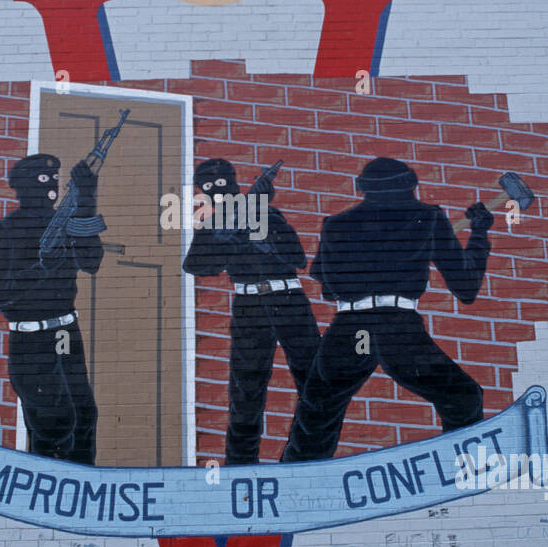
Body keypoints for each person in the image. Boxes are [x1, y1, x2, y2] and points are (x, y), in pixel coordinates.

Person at [281, 157, 493, 463]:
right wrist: (479, 234)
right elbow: (466, 286)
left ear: (364, 189)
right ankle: (466, 467)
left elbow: (326, 286)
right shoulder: (429, 217)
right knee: (462, 397)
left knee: (318, 411)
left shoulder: (335, 224)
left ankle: (294, 480)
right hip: (398, 328)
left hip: (353, 328)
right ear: (409, 184)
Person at [182, 159, 320, 465]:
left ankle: (309, 458)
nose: (217, 190)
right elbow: (196, 265)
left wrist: (257, 223)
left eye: (222, 183)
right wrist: (229, 234)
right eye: (208, 186)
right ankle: (239, 465)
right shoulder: (213, 225)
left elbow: (297, 257)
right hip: (249, 307)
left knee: (313, 381)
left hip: (288, 299)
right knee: (245, 390)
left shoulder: (268, 213)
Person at [0, 153, 103, 465]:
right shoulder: (2, 231)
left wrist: (86, 201)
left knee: (84, 416)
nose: (51, 187)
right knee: (51, 424)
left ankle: (85, 489)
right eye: (43, 180)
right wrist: (39, 270)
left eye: (54, 180)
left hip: (65, 334)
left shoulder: (65, 223)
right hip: (31, 339)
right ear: (21, 187)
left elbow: (92, 261)